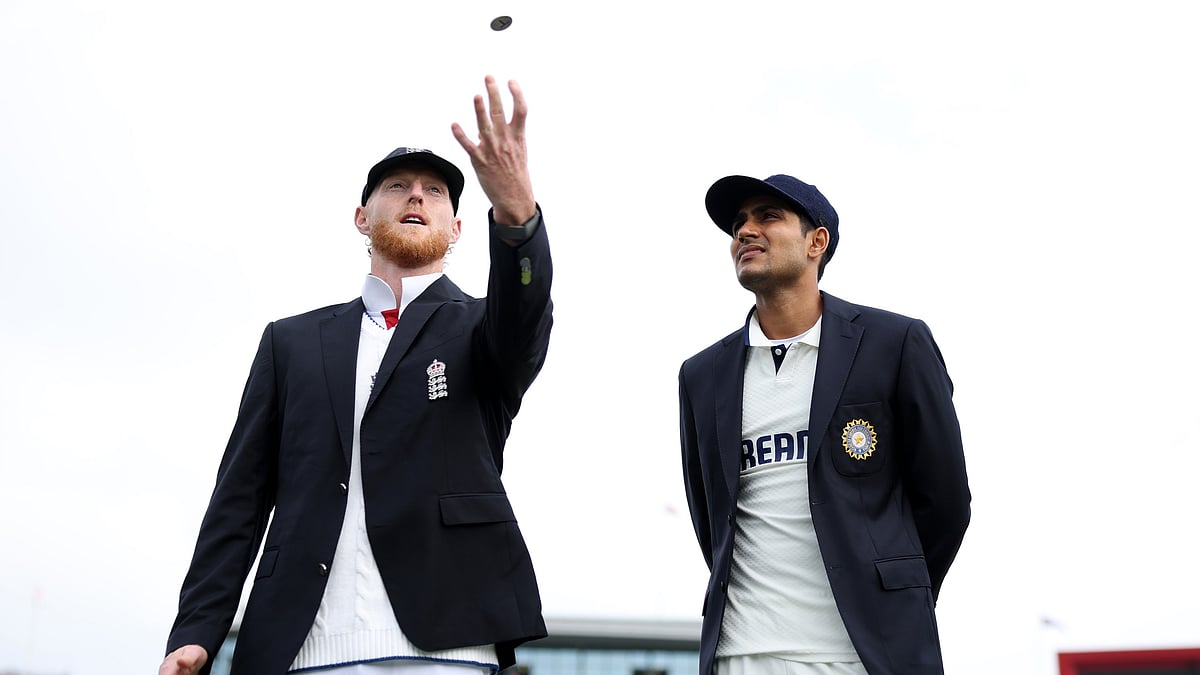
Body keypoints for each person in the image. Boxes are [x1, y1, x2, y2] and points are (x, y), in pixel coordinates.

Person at [159, 76, 552, 675]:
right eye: (397, 187)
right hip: (304, 647)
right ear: (362, 217)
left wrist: (519, 217)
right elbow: (239, 499)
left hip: (447, 645)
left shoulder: (481, 328)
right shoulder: (290, 343)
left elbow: (524, 315)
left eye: (435, 191)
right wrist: (197, 630)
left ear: (460, 228)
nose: (416, 196)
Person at [677, 173, 971, 675]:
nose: (745, 231)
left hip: (861, 657)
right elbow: (709, 516)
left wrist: (893, 594)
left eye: (768, 216)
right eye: (738, 223)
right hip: (740, 655)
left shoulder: (895, 344)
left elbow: (945, 502)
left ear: (818, 242)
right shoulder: (701, 375)